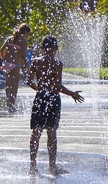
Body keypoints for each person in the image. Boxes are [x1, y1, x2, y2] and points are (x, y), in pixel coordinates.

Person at [26, 35, 84, 176]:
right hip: (53, 99)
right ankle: (52, 167)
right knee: (51, 133)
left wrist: (39, 89)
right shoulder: (57, 63)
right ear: (56, 48)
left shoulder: (35, 62)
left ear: (41, 48)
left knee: (36, 132)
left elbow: (28, 80)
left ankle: (33, 165)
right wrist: (71, 93)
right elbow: (57, 86)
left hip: (41, 98)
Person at [1, 23, 31, 114]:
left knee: (8, 84)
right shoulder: (23, 41)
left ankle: (8, 101)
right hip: (16, 65)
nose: (27, 36)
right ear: (25, 32)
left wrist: (3, 59)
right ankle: (12, 105)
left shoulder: (10, 38)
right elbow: (24, 55)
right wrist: (28, 67)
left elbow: (2, 49)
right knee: (14, 86)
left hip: (6, 63)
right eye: (28, 34)